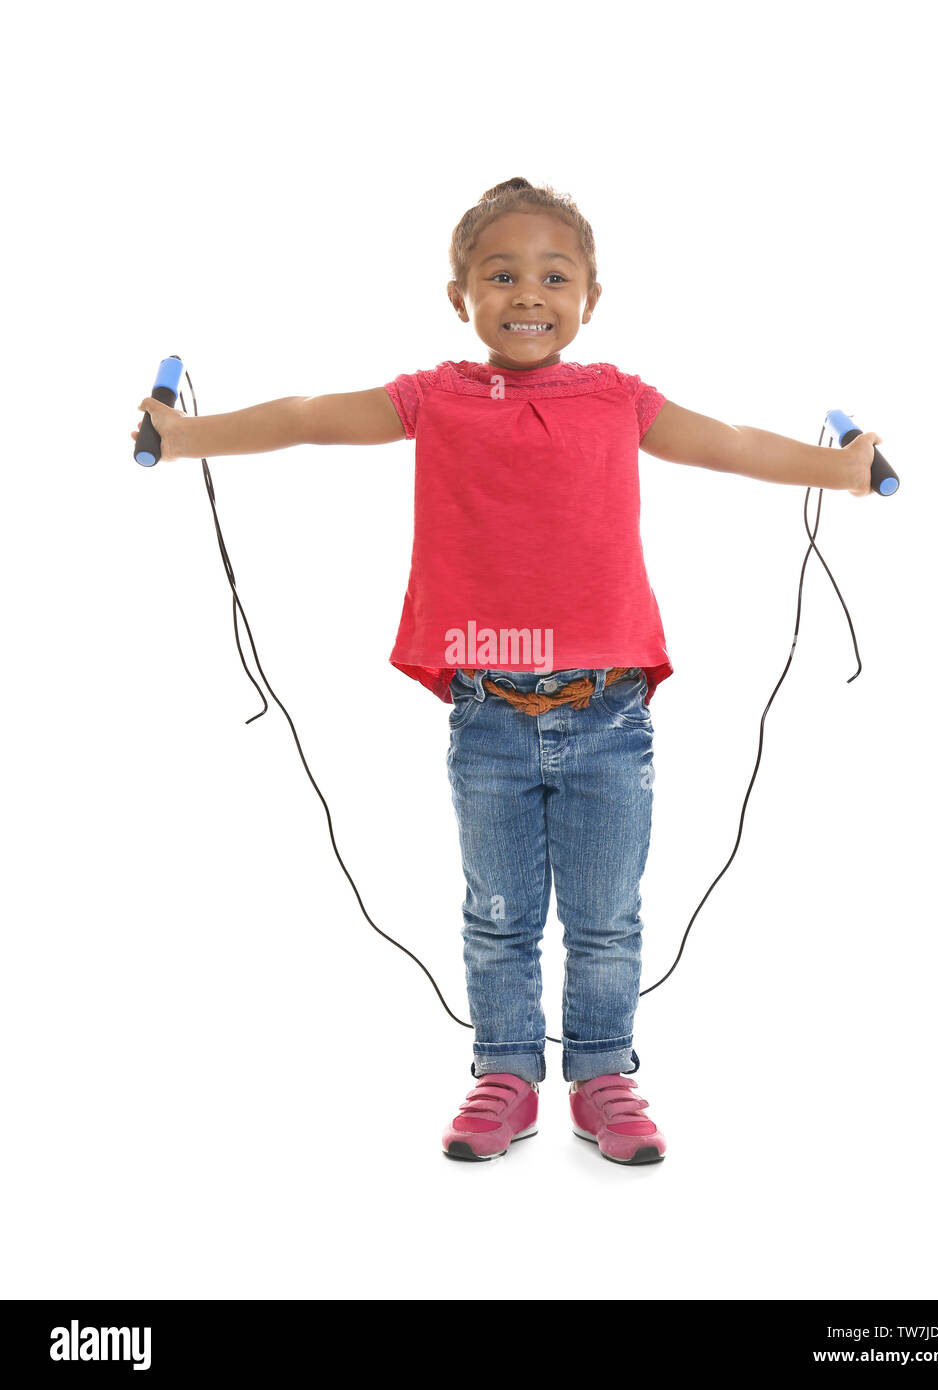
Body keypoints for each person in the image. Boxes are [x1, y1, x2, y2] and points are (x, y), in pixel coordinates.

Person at [132, 177, 880, 1168]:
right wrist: (184, 435)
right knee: (498, 912)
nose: (527, 292)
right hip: (487, 714)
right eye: (500, 274)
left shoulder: (621, 399)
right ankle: (504, 1072)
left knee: (606, 914)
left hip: (609, 714)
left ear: (589, 299)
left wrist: (838, 466)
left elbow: (731, 444)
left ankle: (604, 1072)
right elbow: (310, 415)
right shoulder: (431, 398)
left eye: (552, 275)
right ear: (460, 298)